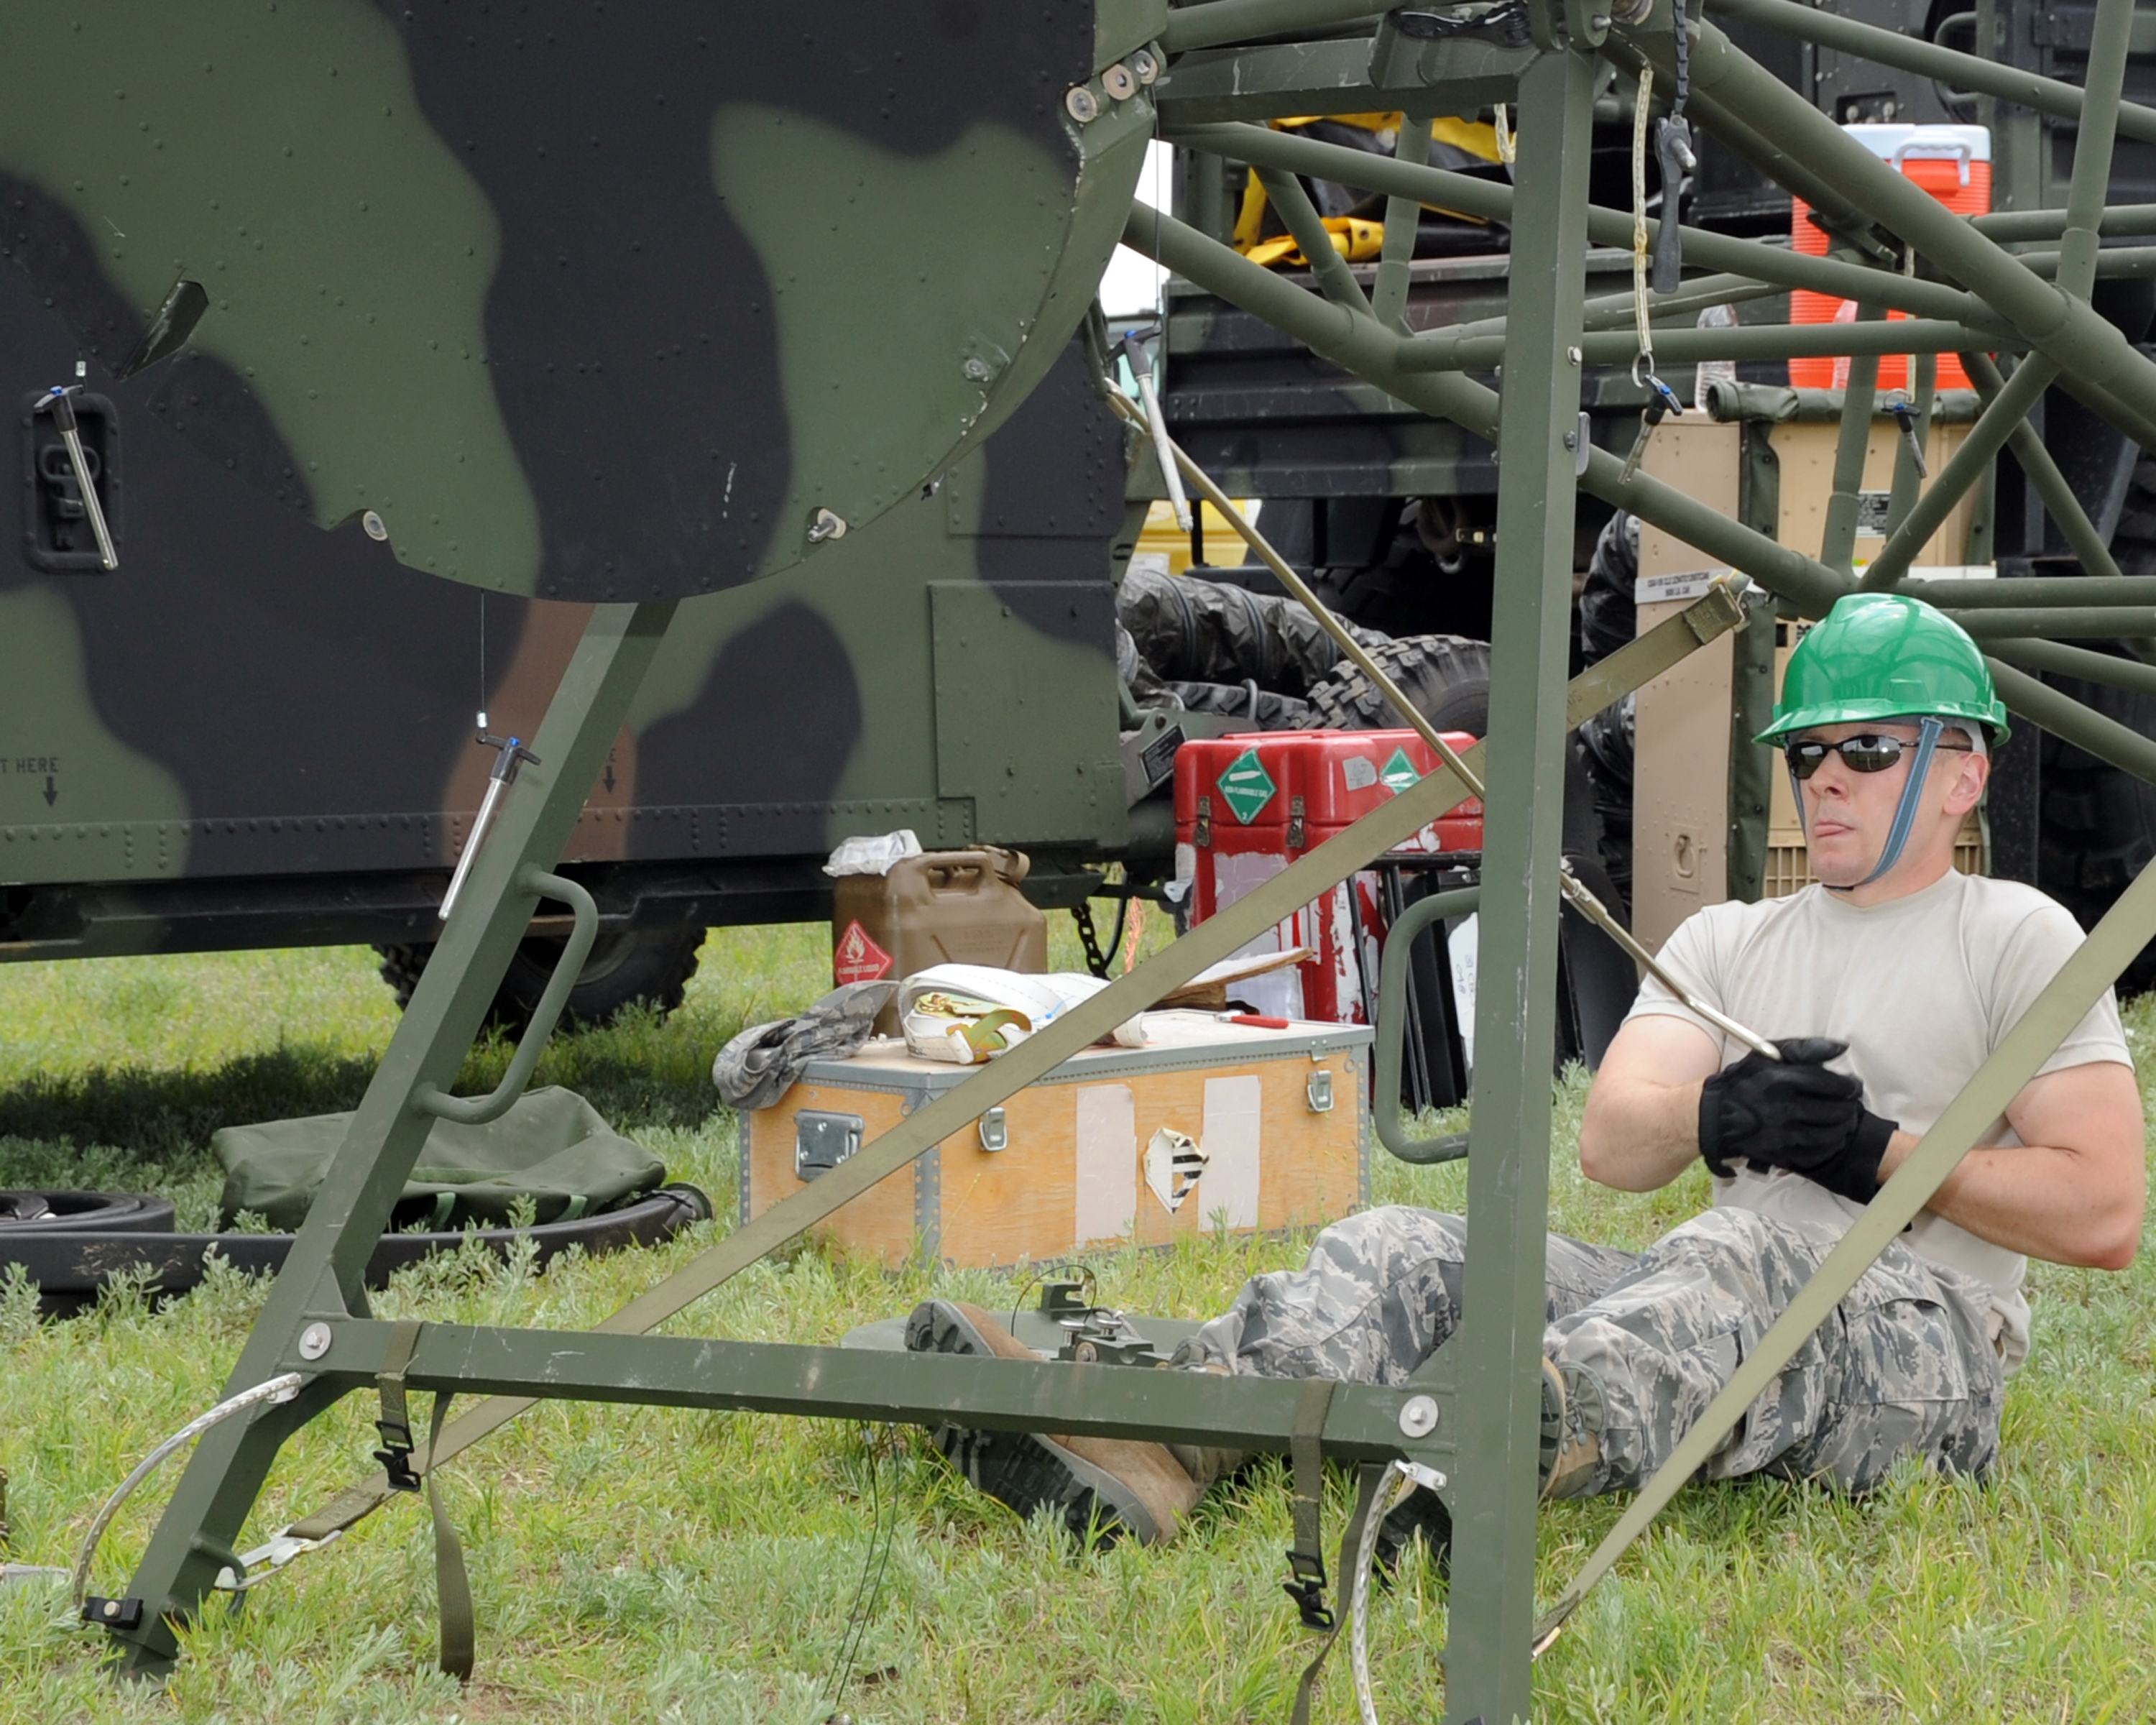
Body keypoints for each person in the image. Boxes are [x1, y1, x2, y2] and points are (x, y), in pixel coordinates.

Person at [906, 593, 2144, 1550]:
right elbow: (1614, 1145)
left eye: (1865, 748)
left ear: (1963, 773)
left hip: (1931, 1342)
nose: (1824, 776)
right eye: (1808, 748)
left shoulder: (2017, 935)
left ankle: (1472, 1463)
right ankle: (1175, 1437)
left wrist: (1877, 1156)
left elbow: (2104, 1213)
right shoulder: (1729, 938)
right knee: (1415, 1248)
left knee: (1742, 1256)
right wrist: (1718, 1114)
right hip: (1708, 1289)